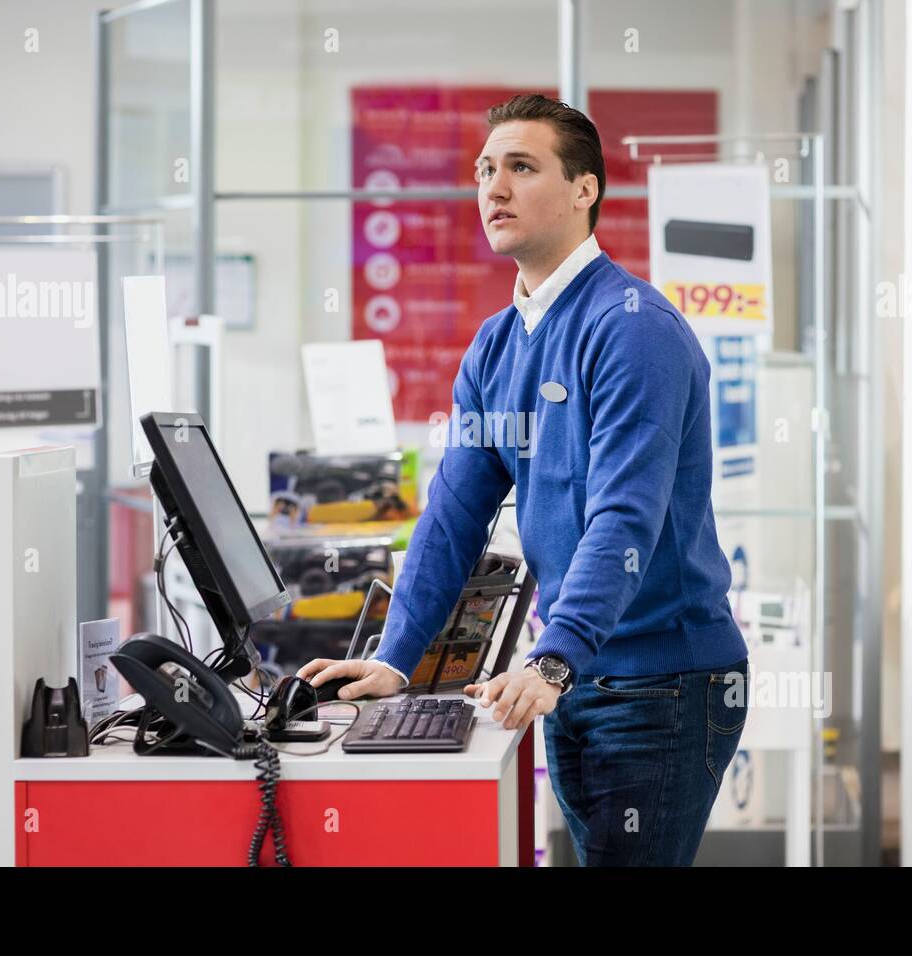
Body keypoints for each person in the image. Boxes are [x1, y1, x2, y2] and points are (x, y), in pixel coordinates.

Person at [299, 93, 749, 866]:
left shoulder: (633, 329)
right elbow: (453, 512)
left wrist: (553, 655)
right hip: (575, 677)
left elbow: (625, 516)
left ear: (585, 190)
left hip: (663, 682)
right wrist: (395, 655)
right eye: (484, 170)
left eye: (520, 167)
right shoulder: (496, 345)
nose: (493, 189)